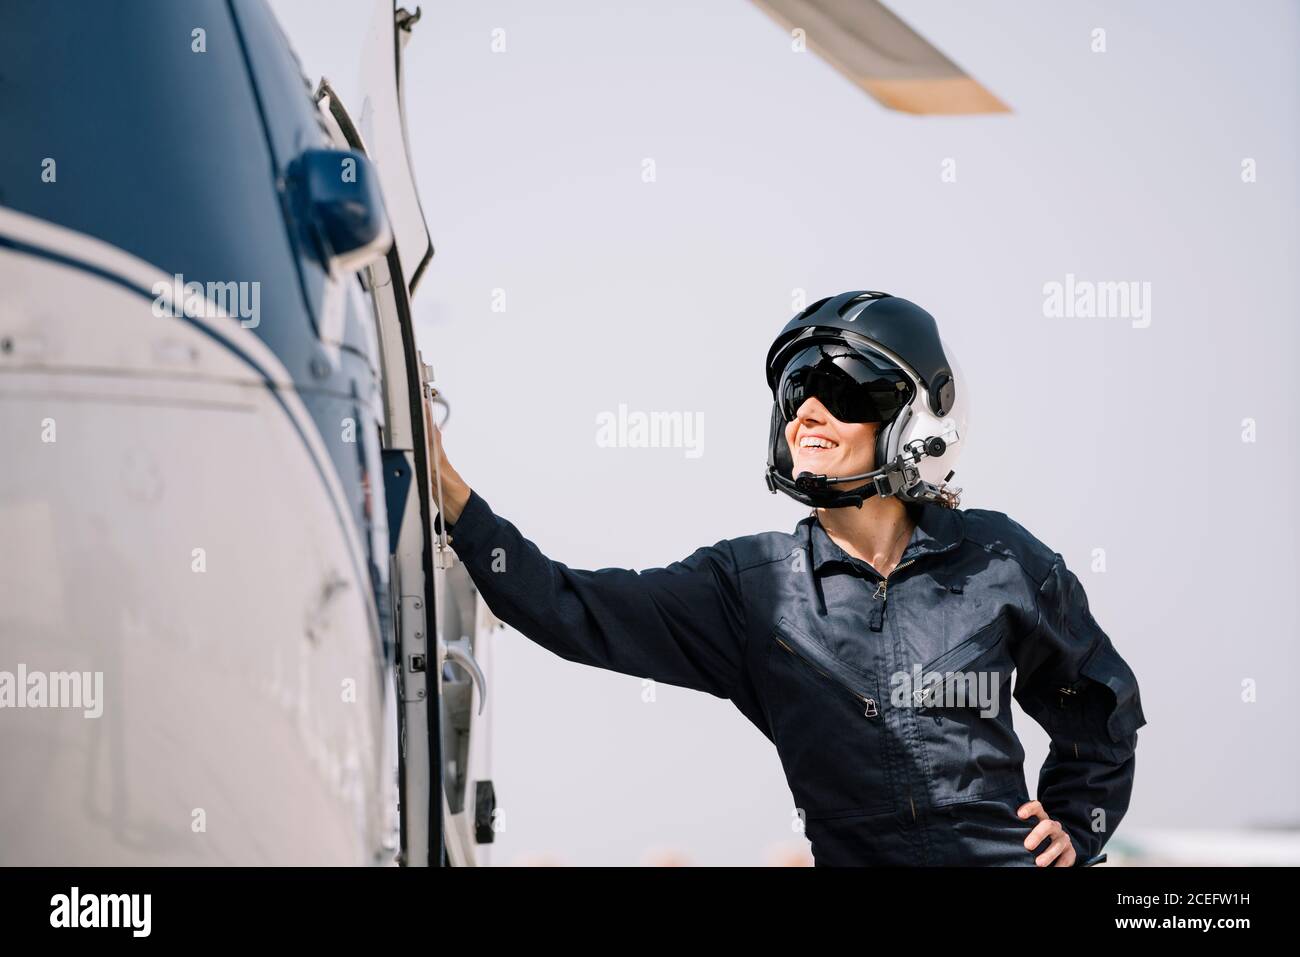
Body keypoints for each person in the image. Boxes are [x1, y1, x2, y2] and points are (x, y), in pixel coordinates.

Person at [429, 290, 1147, 866]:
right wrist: (454, 496)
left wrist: (1076, 831)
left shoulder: (1003, 561)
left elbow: (1101, 704)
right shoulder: (752, 588)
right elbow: (566, 606)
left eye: (841, 388)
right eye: (799, 387)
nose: (807, 410)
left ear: (912, 420)